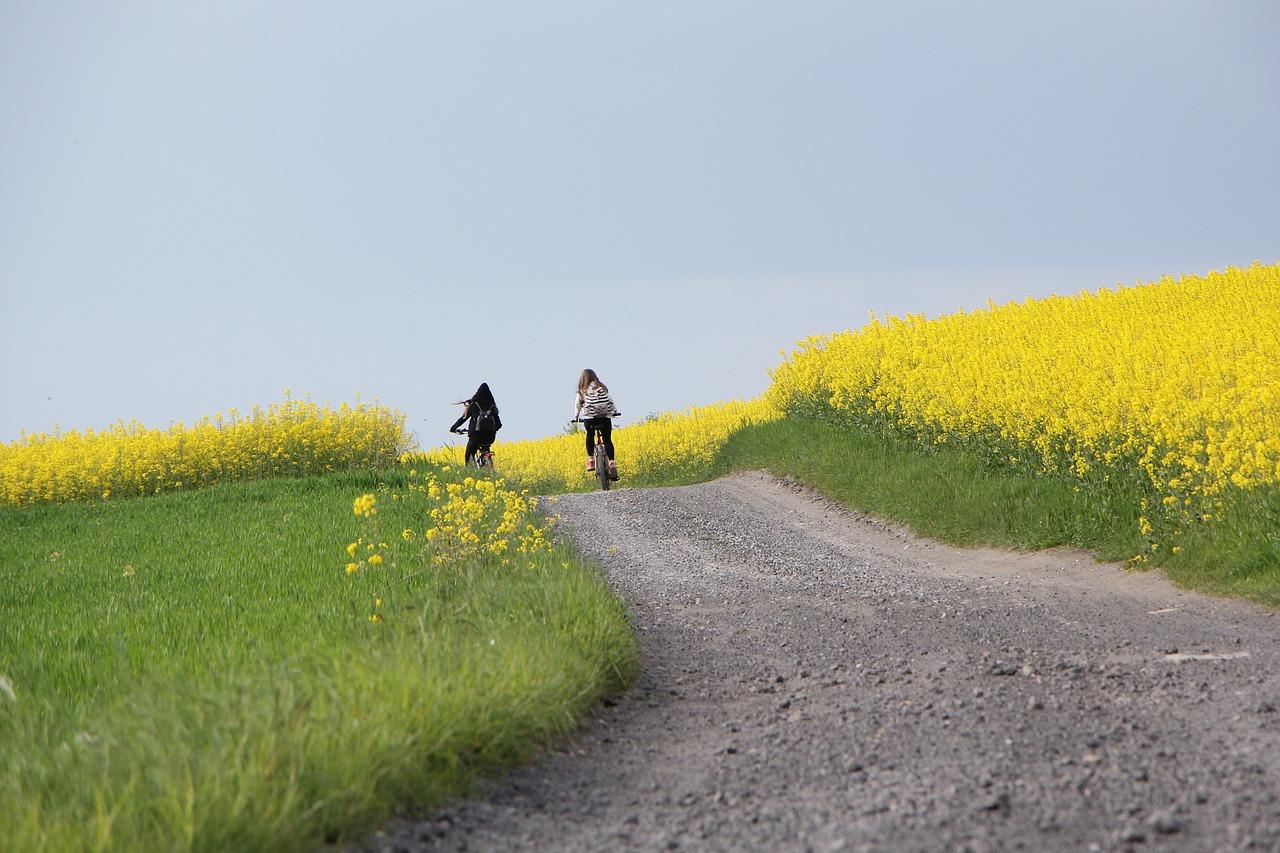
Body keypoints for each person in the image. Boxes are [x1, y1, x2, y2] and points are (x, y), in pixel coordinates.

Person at [573, 368, 619, 477]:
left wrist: (576, 417)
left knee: (590, 435)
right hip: (604, 418)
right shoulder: (601, 388)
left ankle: (591, 460)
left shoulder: (582, 391)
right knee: (607, 440)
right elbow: (610, 401)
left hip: (590, 419)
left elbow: (577, 406)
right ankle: (611, 463)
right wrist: (614, 412)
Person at [450, 382, 502, 467]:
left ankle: (471, 474)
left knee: (469, 457)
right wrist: (491, 429)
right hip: (490, 437)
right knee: (486, 448)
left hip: (476, 436)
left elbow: (463, 419)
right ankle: (489, 465)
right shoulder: (492, 407)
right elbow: (499, 424)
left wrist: (453, 428)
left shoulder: (473, 405)